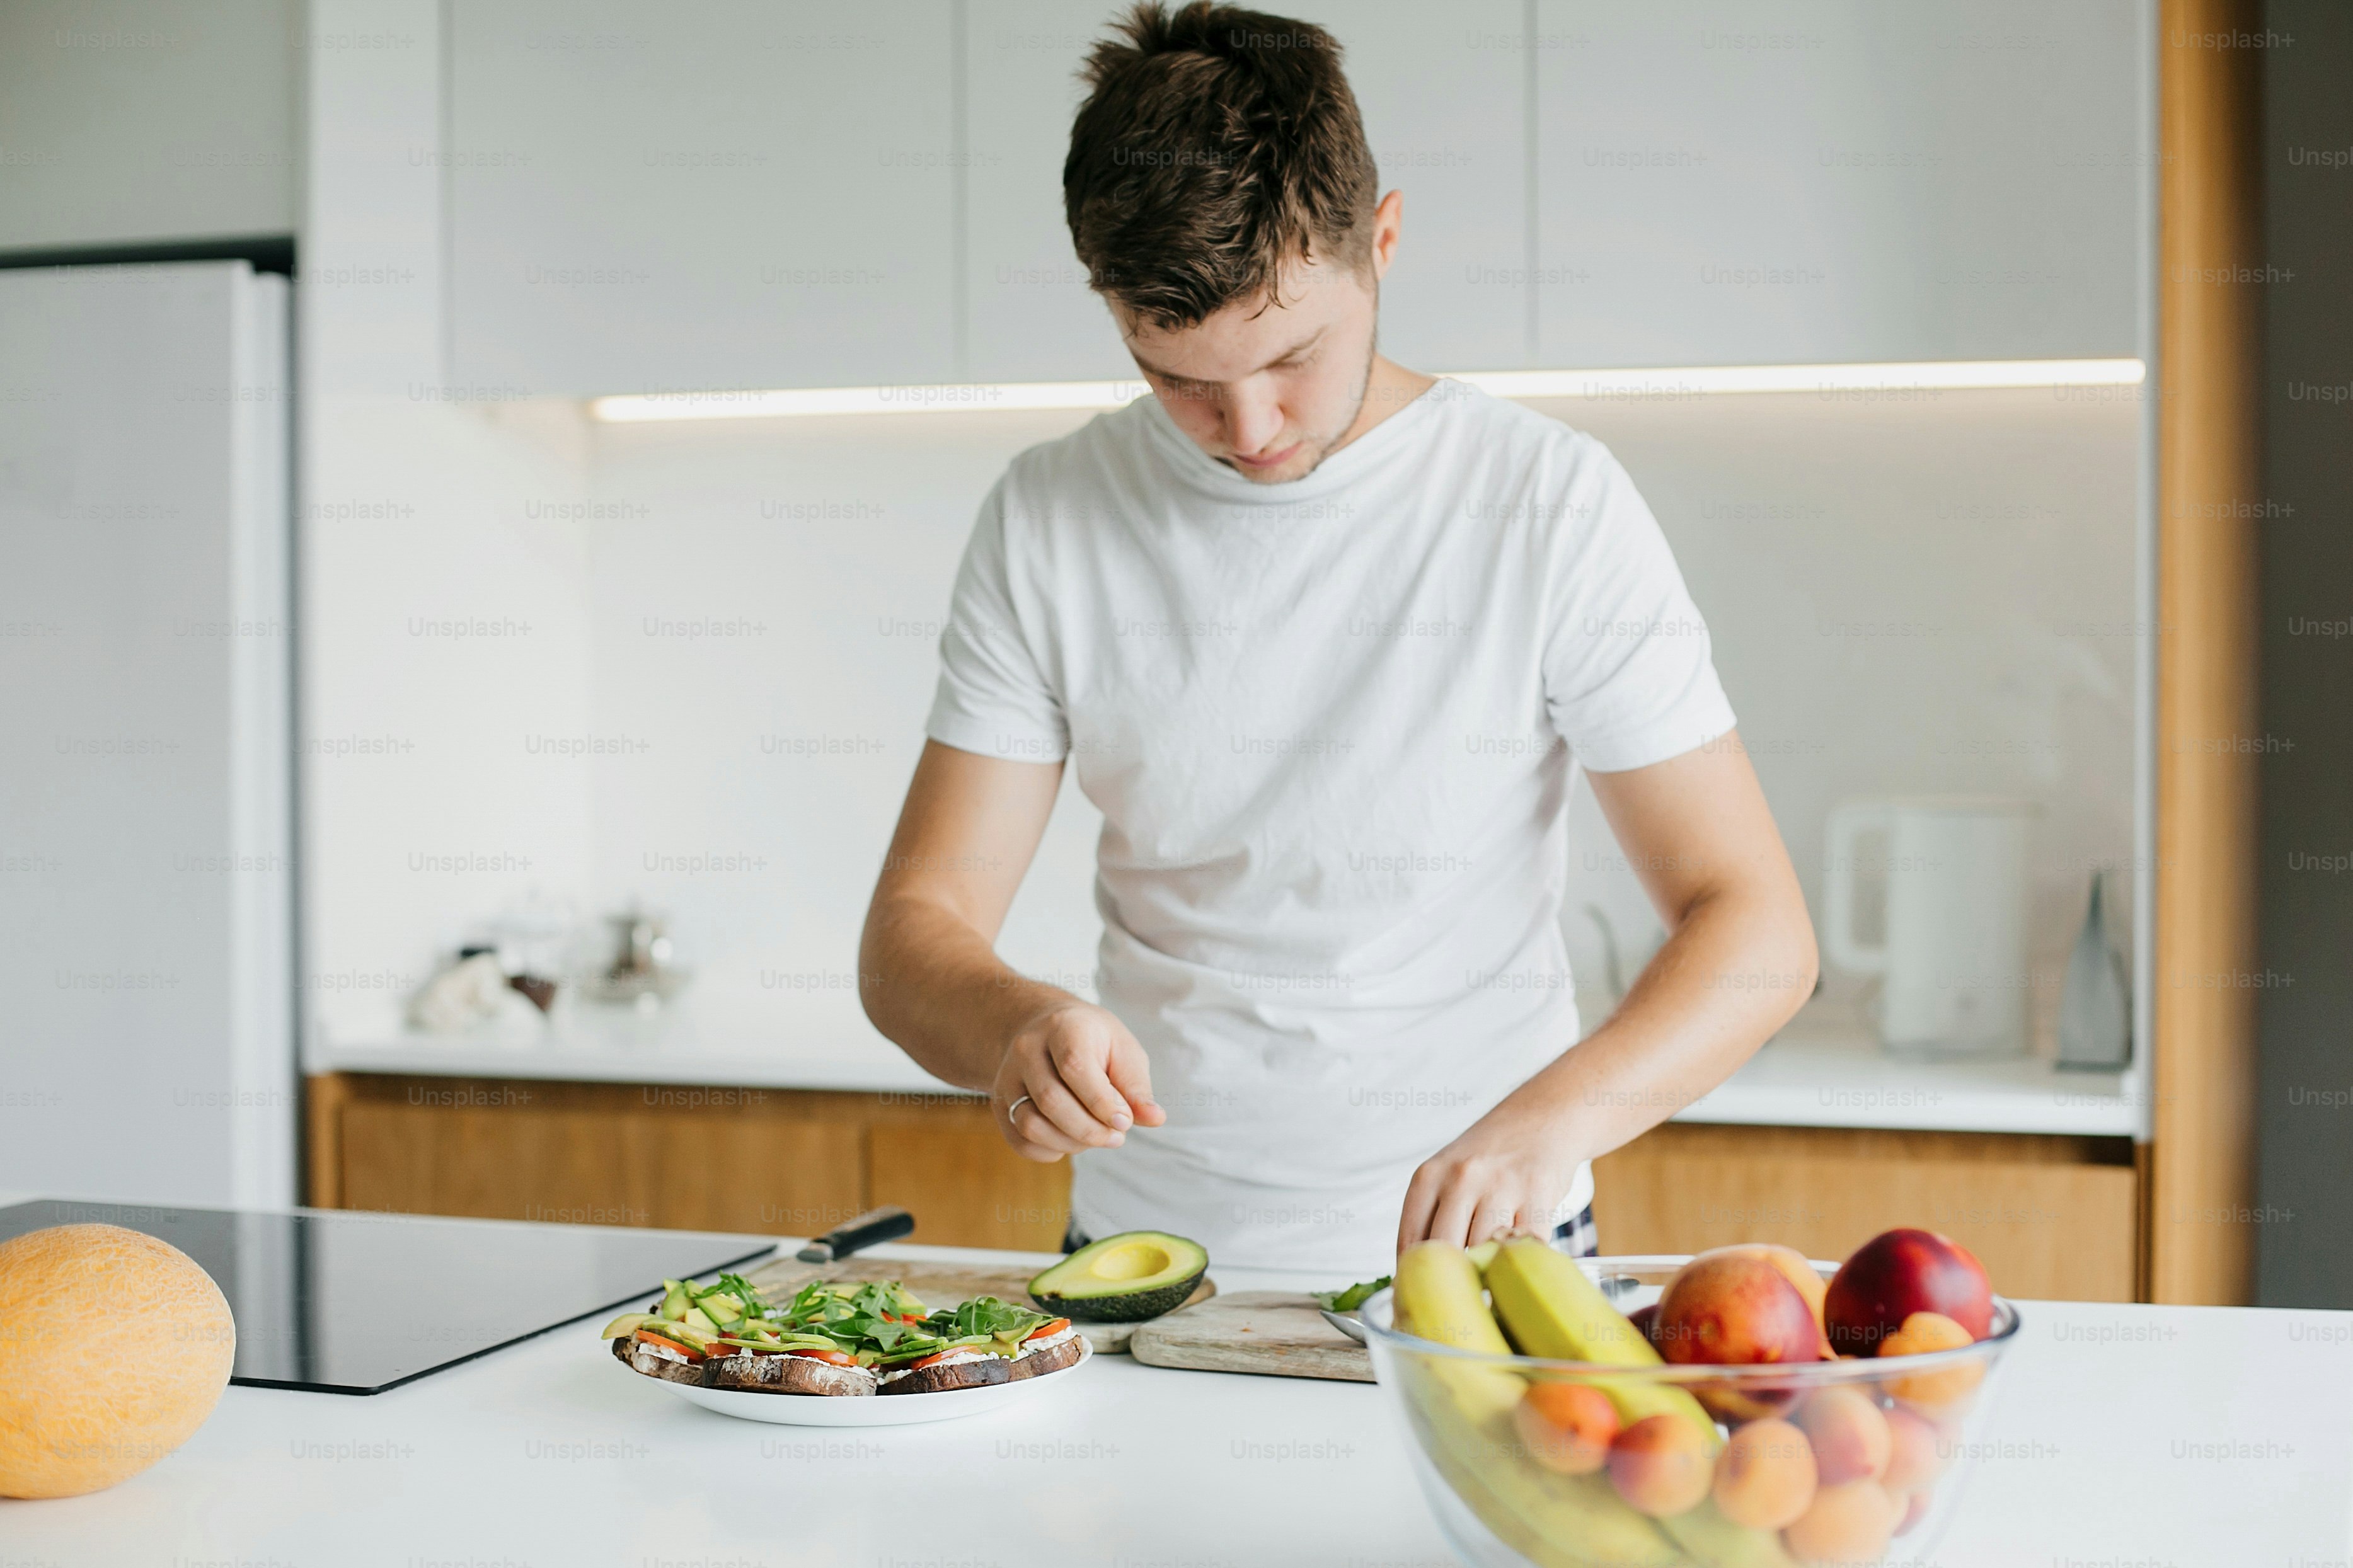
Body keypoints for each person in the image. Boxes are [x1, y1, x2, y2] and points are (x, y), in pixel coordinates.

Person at [859, 1, 1816, 1273]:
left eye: (1294, 356)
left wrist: (1551, 1125)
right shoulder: (1051, 516)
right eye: (1179, 379)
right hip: (1149, 1257)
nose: (1249, 427)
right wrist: (1012, 1026)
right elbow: (913, 930)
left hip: (1489, 1265)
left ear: (1383, 240)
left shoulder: (1545, 501)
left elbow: (1754, 926)